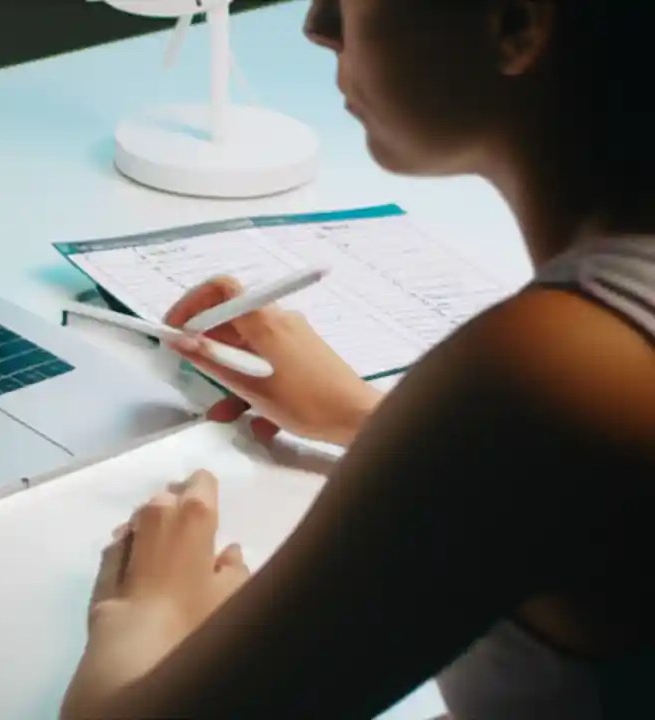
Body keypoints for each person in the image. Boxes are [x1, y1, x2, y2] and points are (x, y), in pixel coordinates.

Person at [61, 0, 654, 717]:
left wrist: (143, 611)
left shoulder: (542, 380)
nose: (318, 25)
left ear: (517, 24)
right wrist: (368, 417)